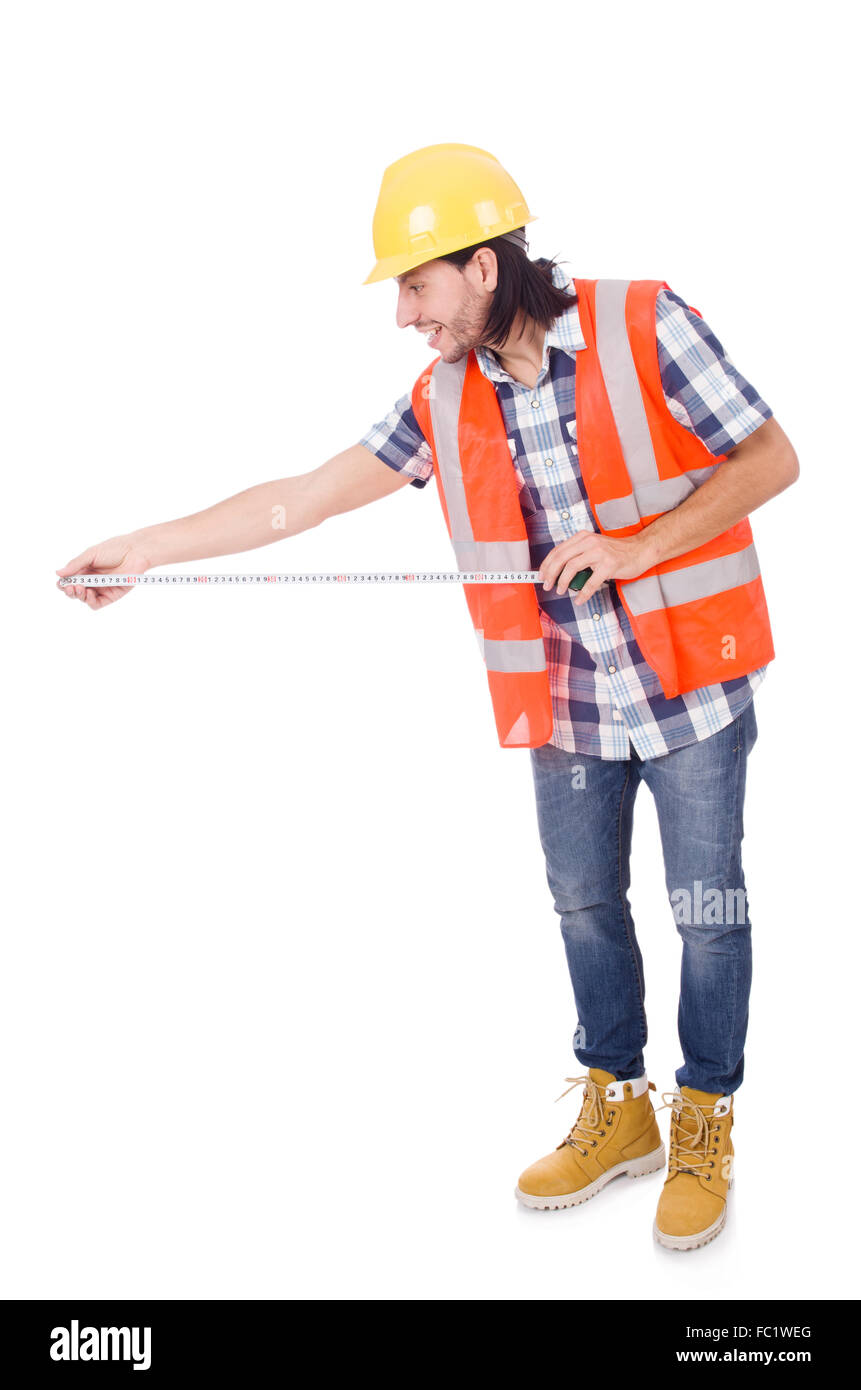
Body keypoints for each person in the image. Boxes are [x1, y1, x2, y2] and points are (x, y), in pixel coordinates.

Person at [57, 143, 799, 1252]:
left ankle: (704, 1117)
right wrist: (145, 548)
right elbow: (301, 500)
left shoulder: (646, 322)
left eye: (416, 283)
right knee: (586, 906)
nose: (405, 313)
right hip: (564, 703)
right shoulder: (443, 396)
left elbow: (773, 458)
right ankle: (620, 1104)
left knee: (707, 909)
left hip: (693, 683)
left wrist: (633, 546)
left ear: (484, 269)